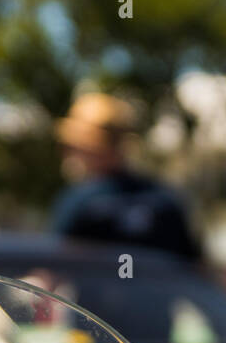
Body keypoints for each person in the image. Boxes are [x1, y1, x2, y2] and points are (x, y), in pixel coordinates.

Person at [51, 93, 200, 261]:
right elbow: (195, 266)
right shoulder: (165, 198)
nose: (70, 154)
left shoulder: (80, 200)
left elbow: (55, 268)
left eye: (75, 146)